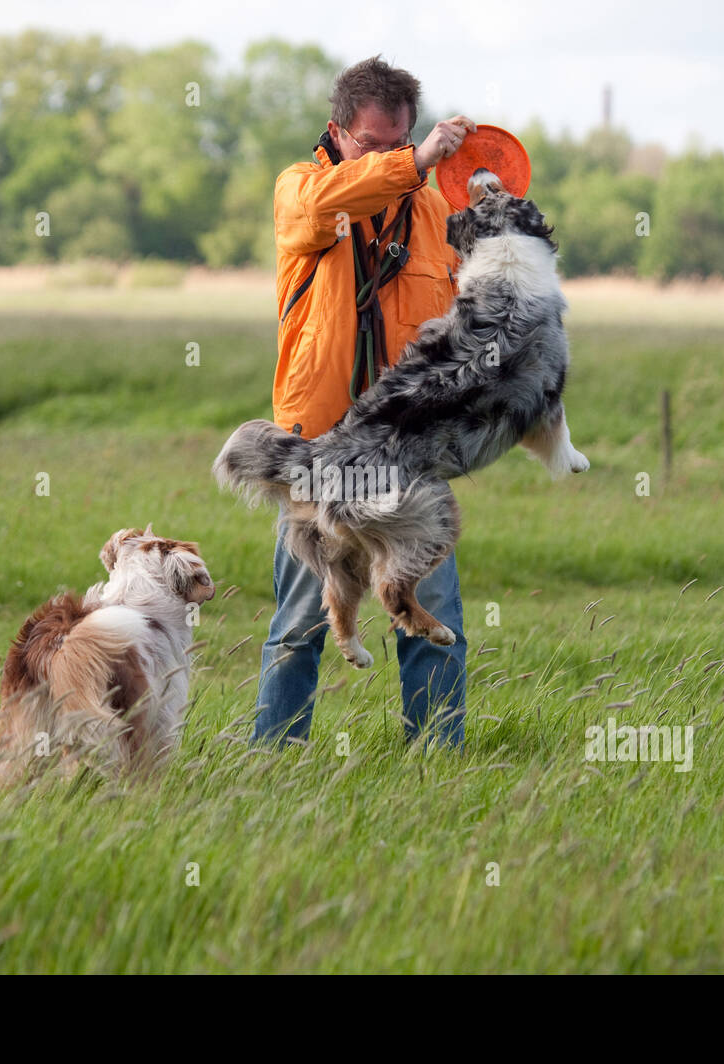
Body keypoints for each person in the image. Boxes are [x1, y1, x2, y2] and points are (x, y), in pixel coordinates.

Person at [252, 55, 477, 750]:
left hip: (409, 449)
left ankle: (437, 759)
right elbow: (330, 203)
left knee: (434, 612)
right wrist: (413, 163)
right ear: (337, 132)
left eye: (398, 142)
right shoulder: (303, 190)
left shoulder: (437, 209)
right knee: (301, 621)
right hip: (319, 448)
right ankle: (274, 759)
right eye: (370, 144)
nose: (385, 155)